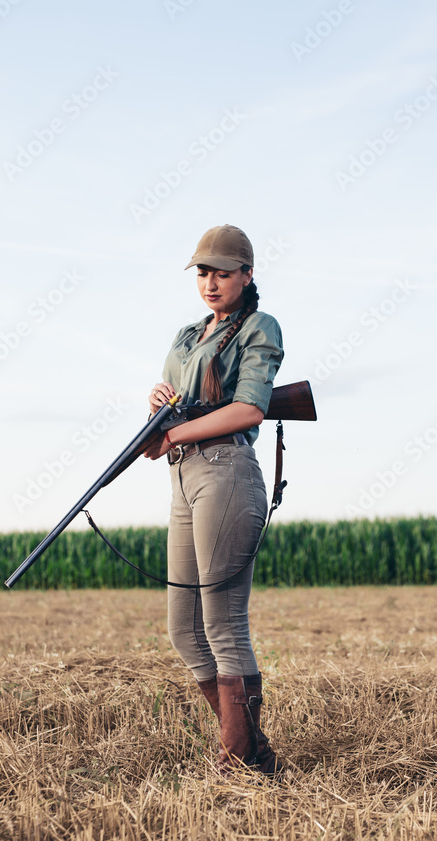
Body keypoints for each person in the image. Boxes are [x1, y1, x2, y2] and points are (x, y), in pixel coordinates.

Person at [144, 225, 284, 777]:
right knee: (185, 629)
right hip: (183, 477)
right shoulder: (187, 334)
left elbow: (251, 408)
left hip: (225, 469)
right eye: (203, 271)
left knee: (223, 624)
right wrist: (158, 400)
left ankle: (236, 761)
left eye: (223, 272)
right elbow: (174, 399)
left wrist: (175, 434)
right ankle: (253, 749)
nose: (211, 282)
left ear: (246, 275)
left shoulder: (258, 327)